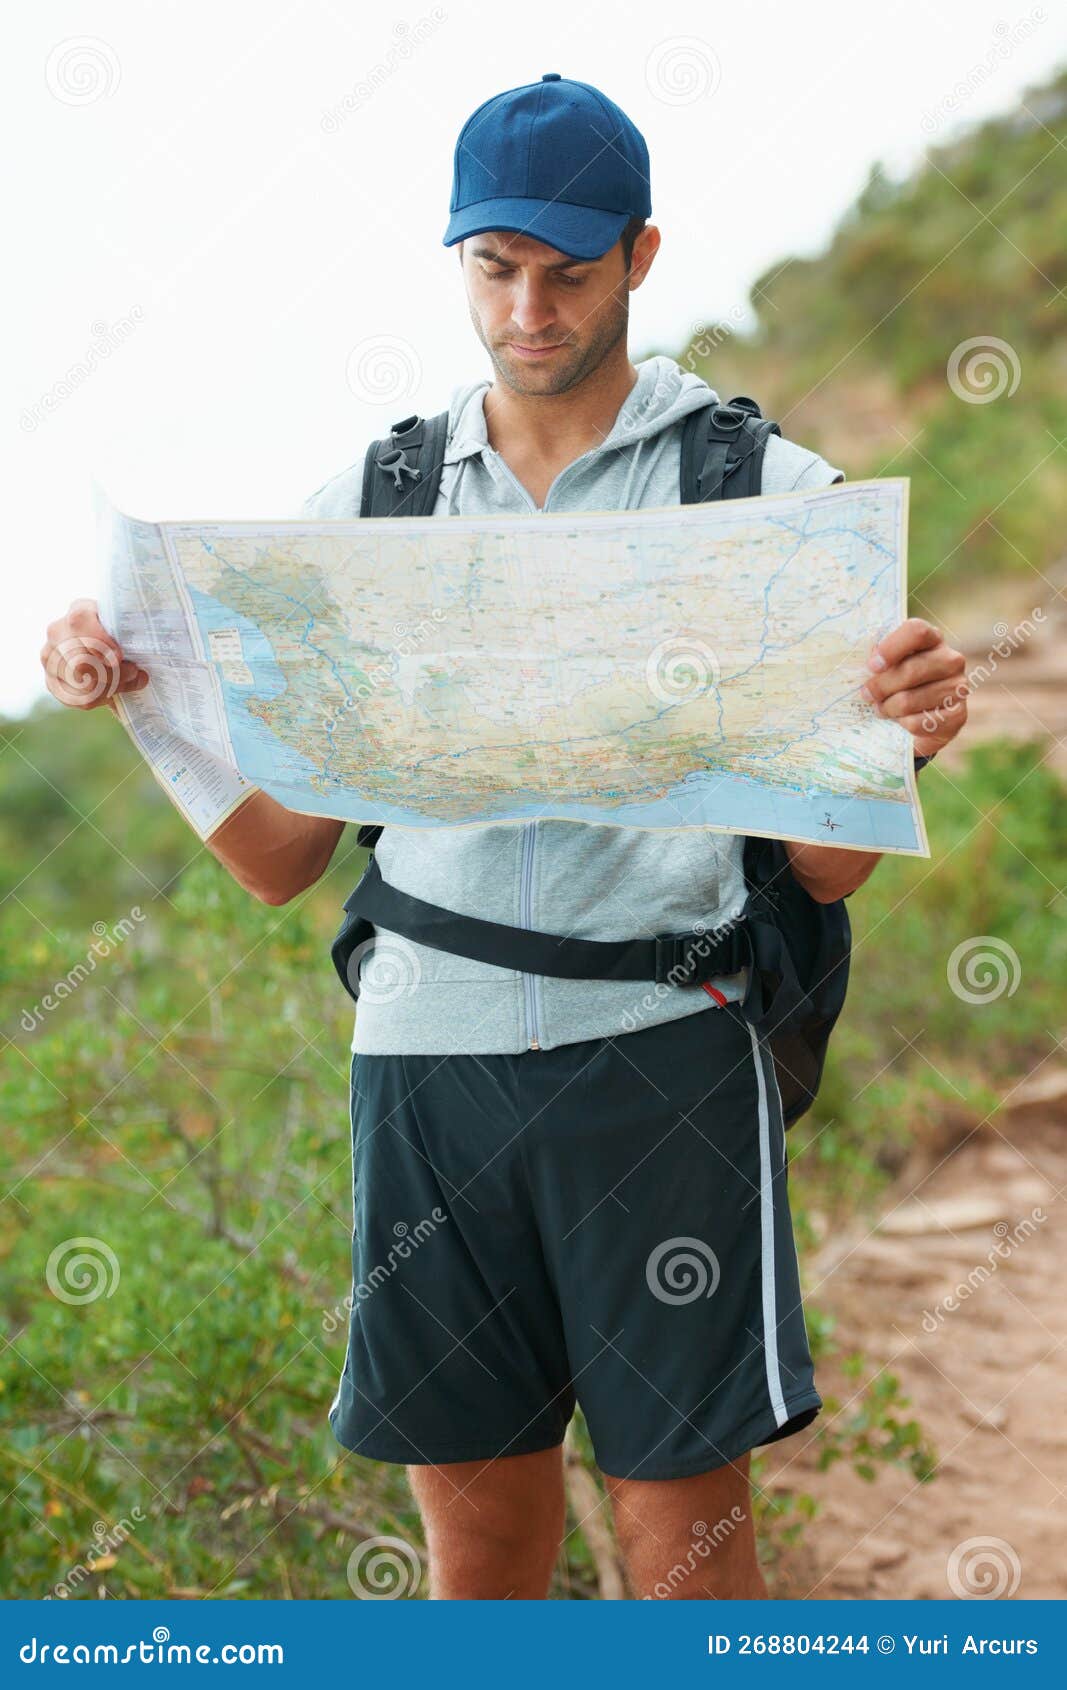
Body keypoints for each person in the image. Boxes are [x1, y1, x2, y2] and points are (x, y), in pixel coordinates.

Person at [41, 74, 968, 1600]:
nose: (529, 307)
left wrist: (896, 733)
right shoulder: (378, 506)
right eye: (496, 268)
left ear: (641, 255)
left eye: (569, 270)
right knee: (480, 1570)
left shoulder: (758, 494)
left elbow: (825, 866)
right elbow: (283, 856)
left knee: (683, 1561)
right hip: (426, 1067)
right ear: (458, 258)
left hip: (663, 1054)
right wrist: (144, 695)